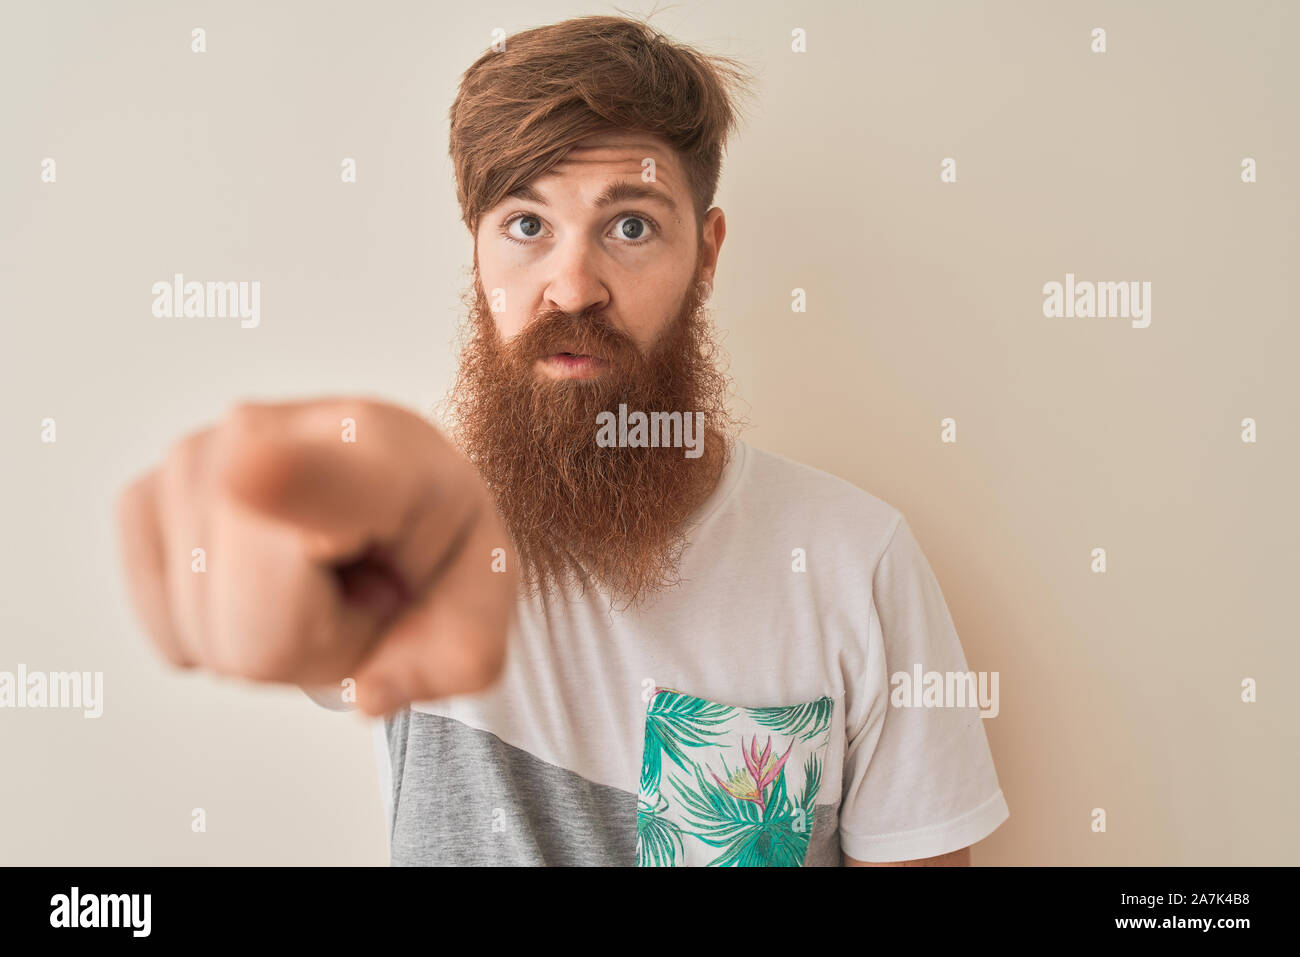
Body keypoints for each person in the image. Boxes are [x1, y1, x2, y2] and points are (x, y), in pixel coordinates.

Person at [115, 14, 1009, 867]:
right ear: (477, 251)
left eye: (630, 226)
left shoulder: (857, 559)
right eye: (526, 225)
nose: (572, 286)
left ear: (706, 250)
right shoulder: (414, 541)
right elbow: (299, 573)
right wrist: (252, 530)